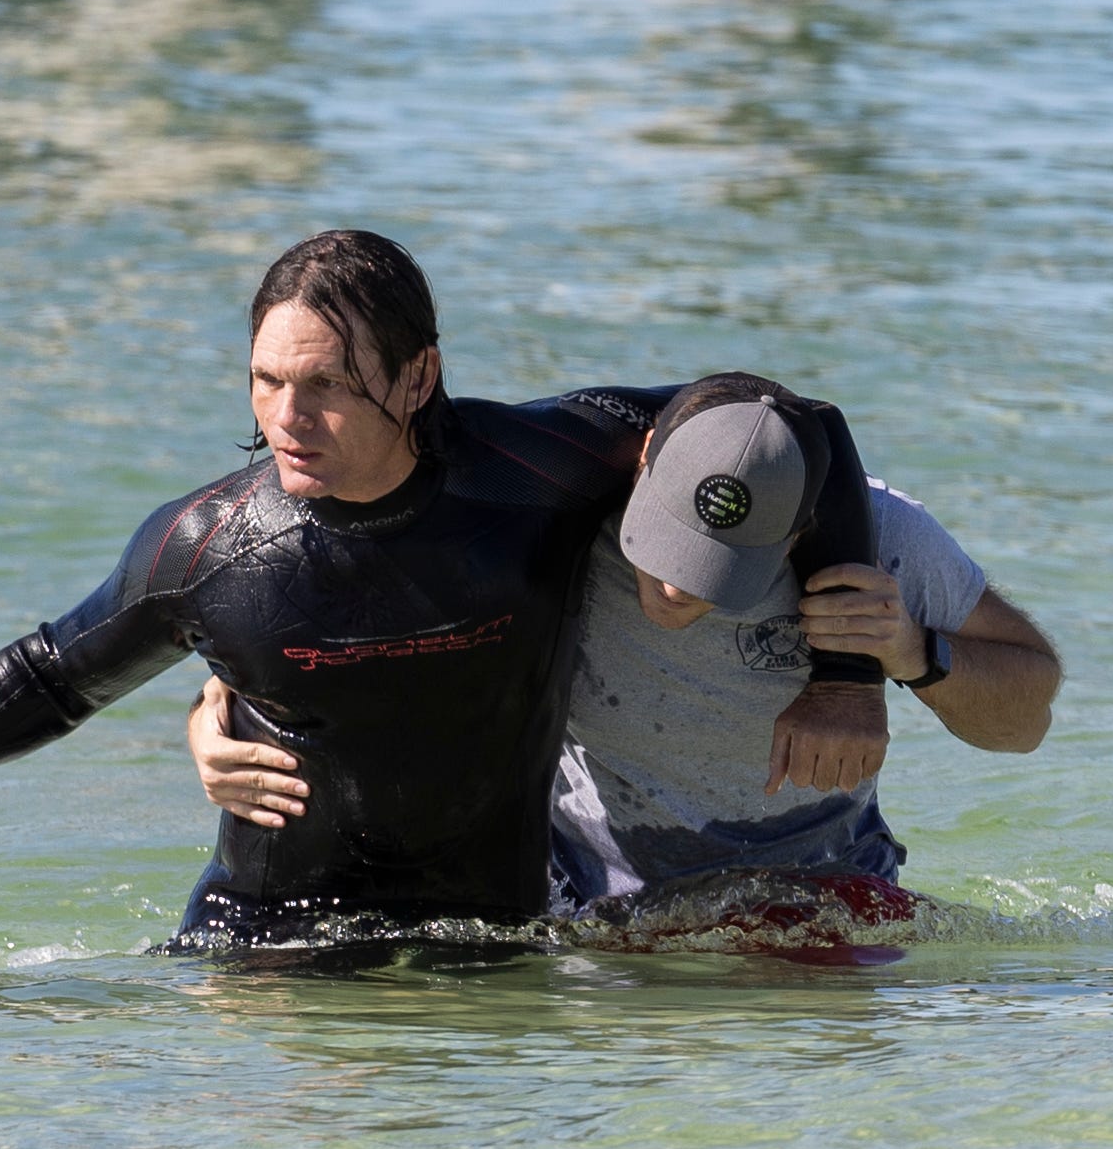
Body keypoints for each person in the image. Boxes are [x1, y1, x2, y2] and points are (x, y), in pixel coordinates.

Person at [0, 231, 892, 948]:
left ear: (418, 375)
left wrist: (845, 678)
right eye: (265, 382)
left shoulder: (534, 471)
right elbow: (52, 675)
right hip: (267, 939)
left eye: (328, 387)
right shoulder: (210, 547)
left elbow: (791, 423)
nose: (287, 420)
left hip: (496, 938)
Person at [185, 370, 1062, 917]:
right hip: (590, 913)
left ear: (801, 527)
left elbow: (1027, 719)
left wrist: (913, 653)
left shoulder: (885, 541)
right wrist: (225, 703)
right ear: (642, 465)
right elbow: (345, 600)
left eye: (722, 570)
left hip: (826, 896)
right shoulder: (549, 523)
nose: (676, 588)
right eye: (666, 545)